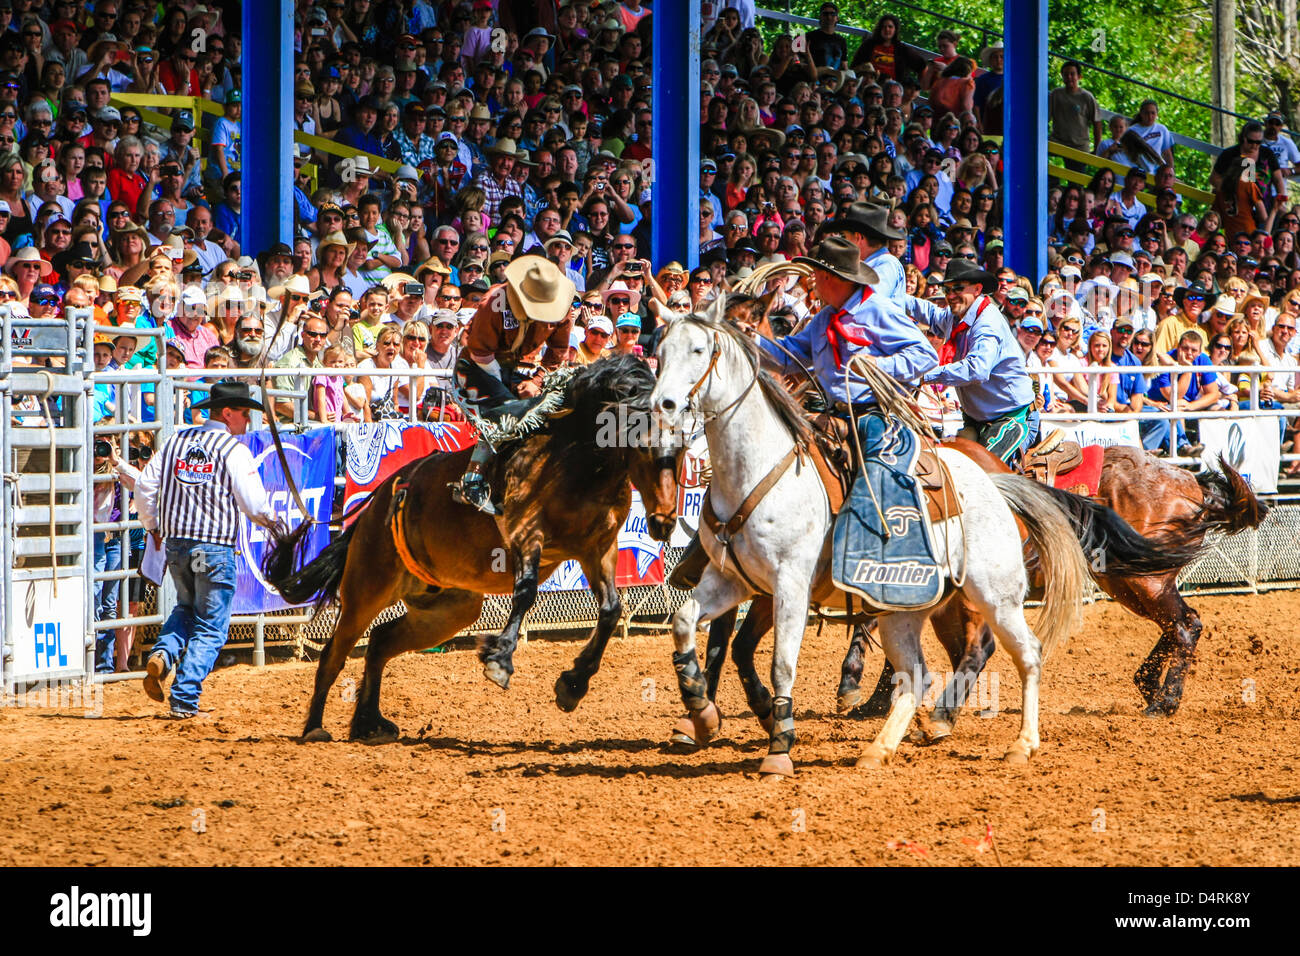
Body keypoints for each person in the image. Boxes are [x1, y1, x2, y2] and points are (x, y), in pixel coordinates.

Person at [135, 381, 280, 719]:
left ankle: (163, 653)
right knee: (212, 625)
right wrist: (276, 525)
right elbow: (255, 504)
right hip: (214, 548)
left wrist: (153, 524)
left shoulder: (175, 442)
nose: (247, 421)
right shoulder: (233, 450)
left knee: (186, 608)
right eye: (245, 414)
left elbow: (144, 485)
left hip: (177, 545)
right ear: (228, 413)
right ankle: (184, 698)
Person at [450, 254, 576, 513]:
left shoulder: (563, 308)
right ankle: (472, 479)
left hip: (523, 372)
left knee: (557, 408)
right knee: (507, 410)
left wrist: (537, 381)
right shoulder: (494, 302)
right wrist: (506, 389)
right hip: (477, 367)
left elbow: (558, 352)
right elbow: (480, 351)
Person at [906, 259, 1036, 464]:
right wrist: (896, 299)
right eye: (947, 289)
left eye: (958, 288)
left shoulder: (987, 323)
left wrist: (924, 377)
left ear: (977, 289)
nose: (950, 295)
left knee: (986, 475)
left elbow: (977, 369)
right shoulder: (958, 316)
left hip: (1011, 419)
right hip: (979, 420)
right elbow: (931, 314)